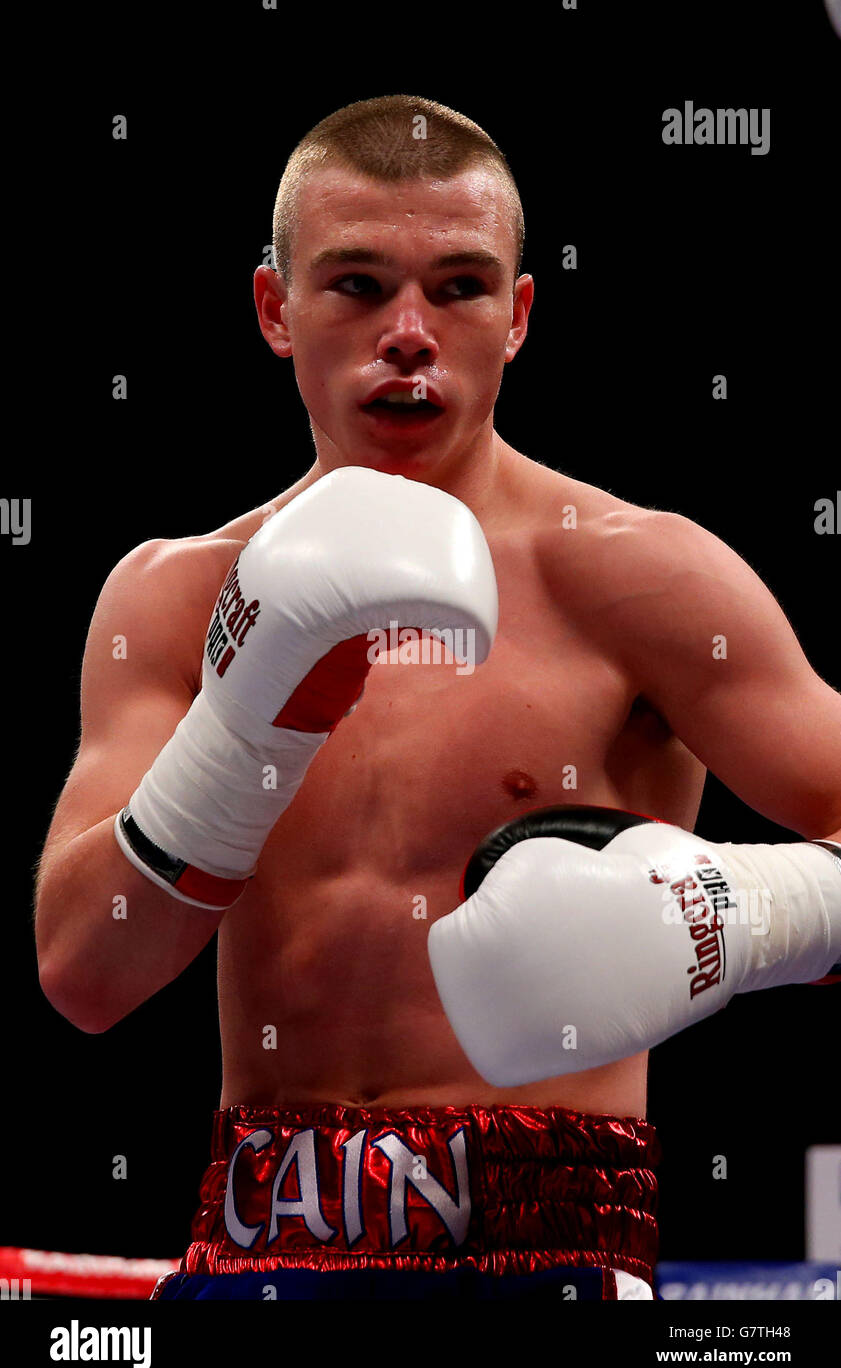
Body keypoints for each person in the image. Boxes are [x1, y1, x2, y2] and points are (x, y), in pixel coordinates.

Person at [34, 96, 841, 1301]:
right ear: (273, 309)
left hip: (551, 1246)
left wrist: (754, 909)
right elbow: (82, 974)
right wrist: (251, 717)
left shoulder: (638, 577)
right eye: (355, 284)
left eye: (458, 288)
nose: (407, 333)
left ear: (516, 317)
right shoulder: (174, 597)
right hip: (259, 1241)